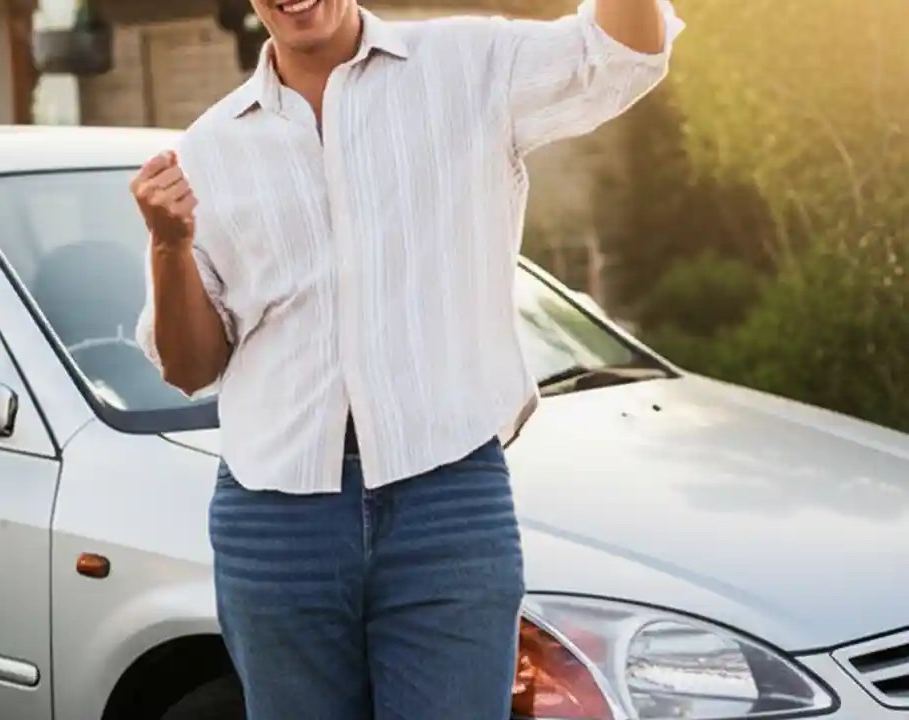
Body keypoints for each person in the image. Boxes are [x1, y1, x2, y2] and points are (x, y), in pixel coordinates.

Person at [132, 0, 683, 717]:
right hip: (275, 518)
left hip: (445, 495)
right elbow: (188, 367)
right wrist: (169, 246)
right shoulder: (208, 149)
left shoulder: (468, 66)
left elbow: (623, 54)